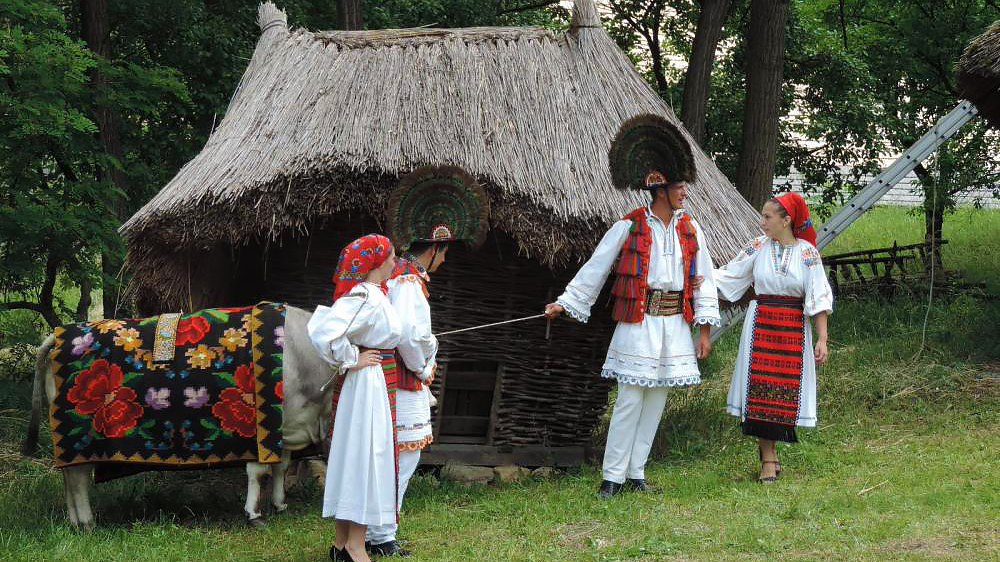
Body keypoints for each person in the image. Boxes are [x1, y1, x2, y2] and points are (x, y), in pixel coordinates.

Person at [544, 115, 721, 498]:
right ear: (659, 188)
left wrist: (704, 330)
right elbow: (597, 265)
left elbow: (703, 277)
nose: (684, 192)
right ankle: (612, 476)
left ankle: (636, 472)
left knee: (656, 399)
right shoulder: (628, 226)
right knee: (629, 400)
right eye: (679, 186)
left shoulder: (691, 228)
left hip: (675, 324)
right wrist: (565, 302)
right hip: (639, 322)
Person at [365, 165, 490, 556]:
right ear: (434, 248)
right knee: (403, 453)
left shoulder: (403, 277)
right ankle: (381, 534)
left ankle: (380, 529)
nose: (445, 260)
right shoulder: (408, 283)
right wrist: (424, 365)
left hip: (397, 376)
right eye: (444, 252)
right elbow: (408, 336)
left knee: (401, 452)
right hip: (402, 379)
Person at [713, 191, 833, 482]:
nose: (762, 222)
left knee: (783, 391)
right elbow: (730, 277)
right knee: (761, 389)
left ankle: (771, 454)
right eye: (763, 216)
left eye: (768, 217)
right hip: (761, 324)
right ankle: (768, 457)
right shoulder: (757, 247)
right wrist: (697, 274)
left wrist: (822, 338)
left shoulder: (807, 253)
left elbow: (817, 295)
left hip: (793, 327)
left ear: (786, 219)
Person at [307, 234, 401, 562]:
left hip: (368, 383)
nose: (394, 262)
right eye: (390, 257)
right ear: (376, 262)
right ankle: (355, 547)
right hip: (365, 385)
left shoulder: (373, 294)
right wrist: (352, 358)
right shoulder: (365, 295)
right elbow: (323, 331)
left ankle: (342, 543)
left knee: (357, 455)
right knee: (364, 457)